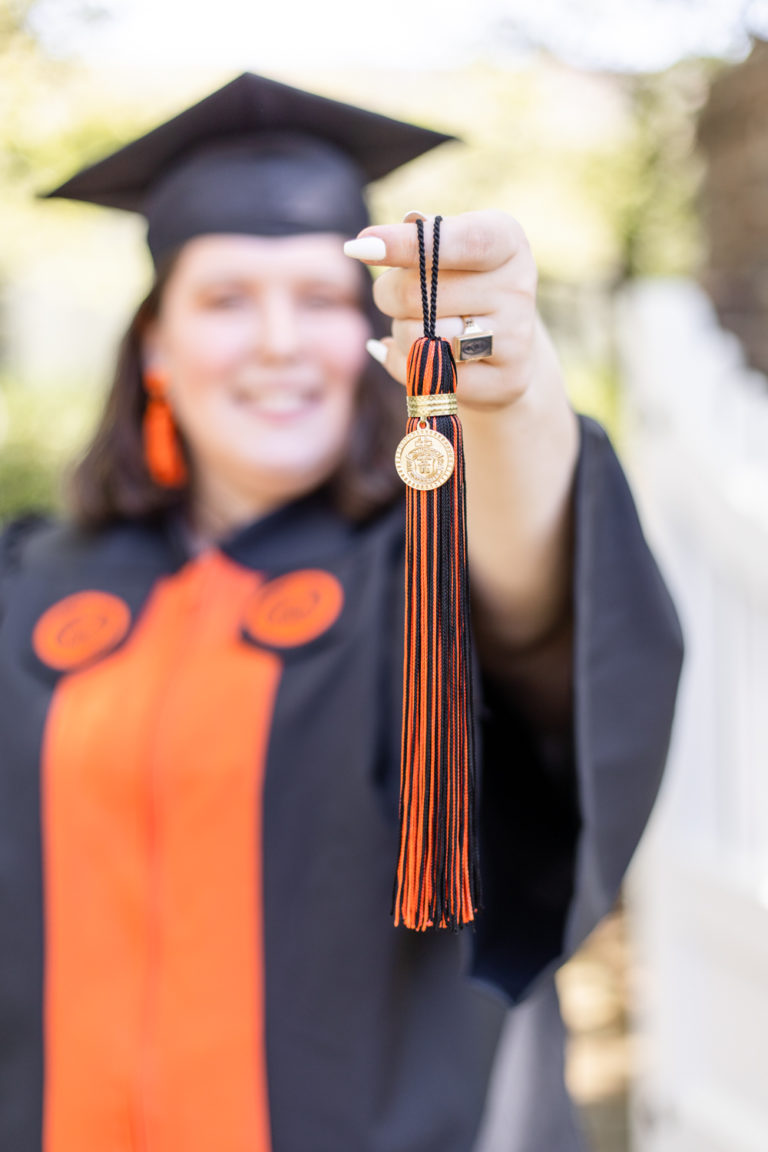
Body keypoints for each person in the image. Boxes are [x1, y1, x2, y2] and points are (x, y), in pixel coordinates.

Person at [0, 72, 684, 1152]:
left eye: (322, 300)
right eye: (226, 299)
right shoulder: (33, 583)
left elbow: (530, 607)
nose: (279, 342)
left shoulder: (412, 577)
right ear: (156, 348)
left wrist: (507, 401)